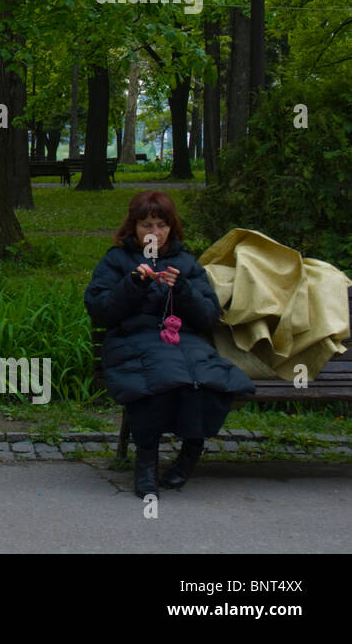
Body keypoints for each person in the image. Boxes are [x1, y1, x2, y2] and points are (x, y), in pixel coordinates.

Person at [84, 190, 254, 498]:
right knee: (156, 380)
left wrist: (183, 289)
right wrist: (133, 283)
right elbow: (101, 310)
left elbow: (207, 316)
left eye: (160, 225)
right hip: (132, 341)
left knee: (207, 379)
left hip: (182, 342)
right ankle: (146, 464)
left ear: (171, 227)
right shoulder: (117, 260)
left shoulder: (185, 263)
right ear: (133, 227)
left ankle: (191, 452)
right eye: (146, 225)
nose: (154, 233)